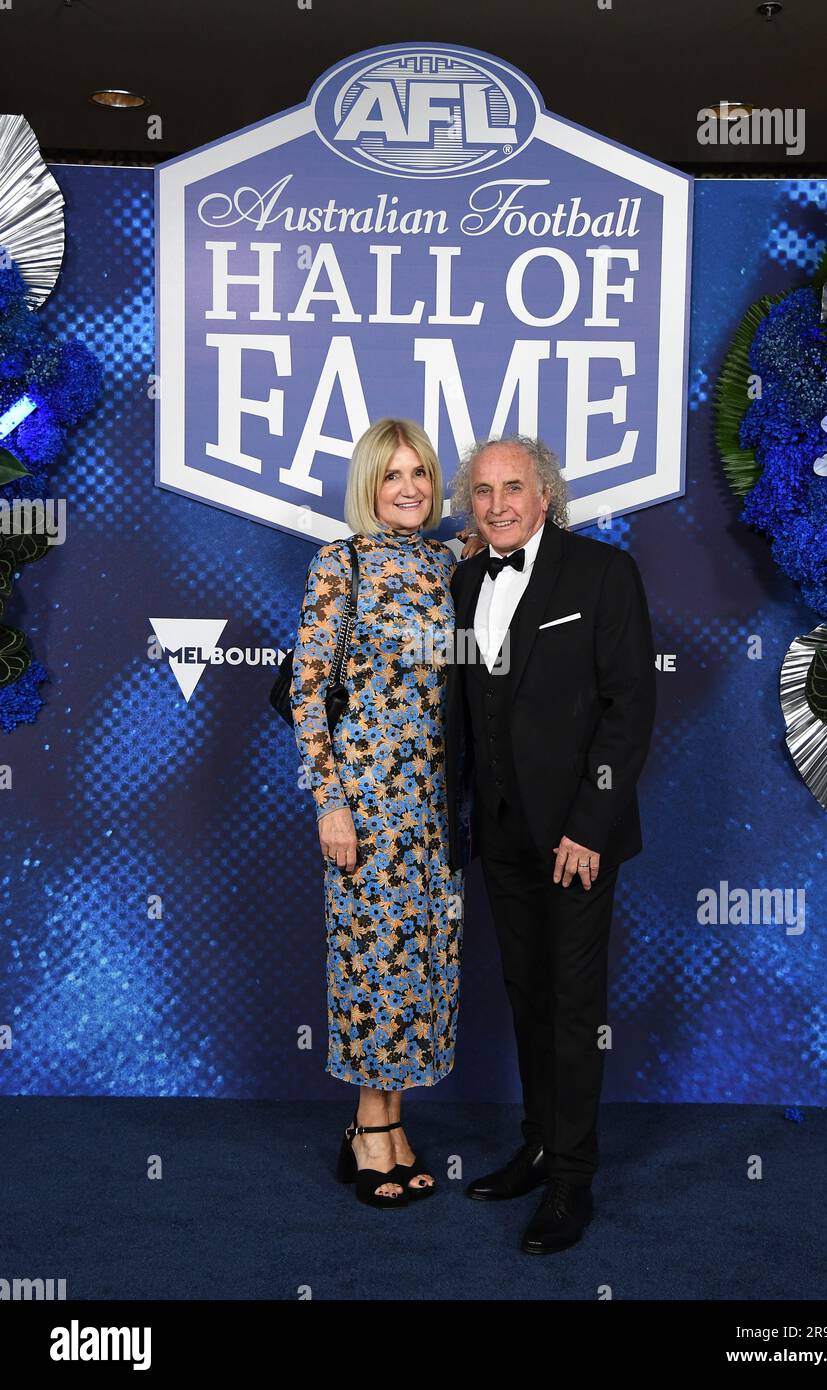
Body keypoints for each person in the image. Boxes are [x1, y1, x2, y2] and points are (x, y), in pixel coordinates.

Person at [445, 434, 656, 1253]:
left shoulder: (602, 574)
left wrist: (588, 826)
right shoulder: (463, 579)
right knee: (527, 994)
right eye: (483, 490)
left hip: (576, 837)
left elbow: (627, 708)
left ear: (544, 496)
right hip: (497, 831)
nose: (496, 504)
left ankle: (571, 1179)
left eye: (512, 488)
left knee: (571, 1007)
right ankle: (535, 1145)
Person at [290, 418, 463, 1208]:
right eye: (392, 475)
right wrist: (331, 804)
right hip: (364, 799)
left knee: (417, 962)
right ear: (368, 484)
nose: (408, 489)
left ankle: (393, 1124)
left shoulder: (446, 560)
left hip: (432, 802)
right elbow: (307, 692)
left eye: (420, 473)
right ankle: (366, 1128)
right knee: (370, 961)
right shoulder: (342, 561)